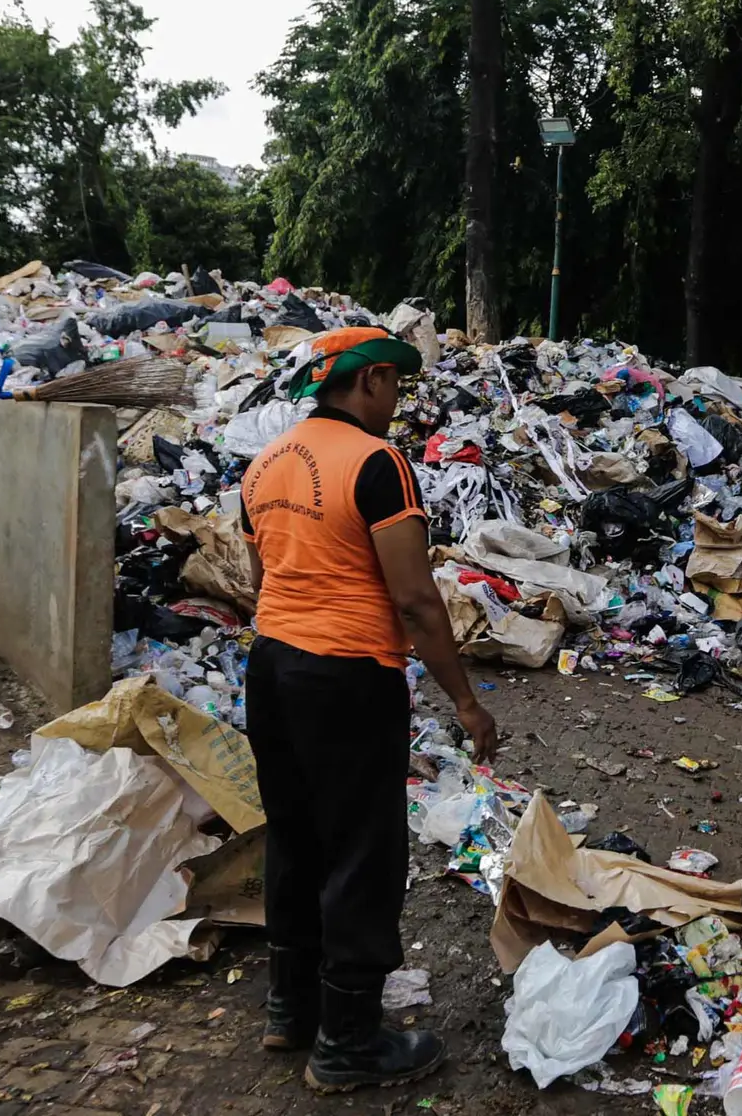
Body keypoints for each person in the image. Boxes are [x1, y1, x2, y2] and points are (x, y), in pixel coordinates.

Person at [238, 324, 499, 1093]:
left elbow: (259, 575)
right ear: (371, 380)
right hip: (347, 674)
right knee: (361, 850)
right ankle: (348, 1042)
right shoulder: (377, 463)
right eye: (395, 384)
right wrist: (466, 702)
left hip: (272, 666)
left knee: (293, 835)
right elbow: (415, 599)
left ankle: (290, 1008)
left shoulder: (265, 462)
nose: (397, 401)